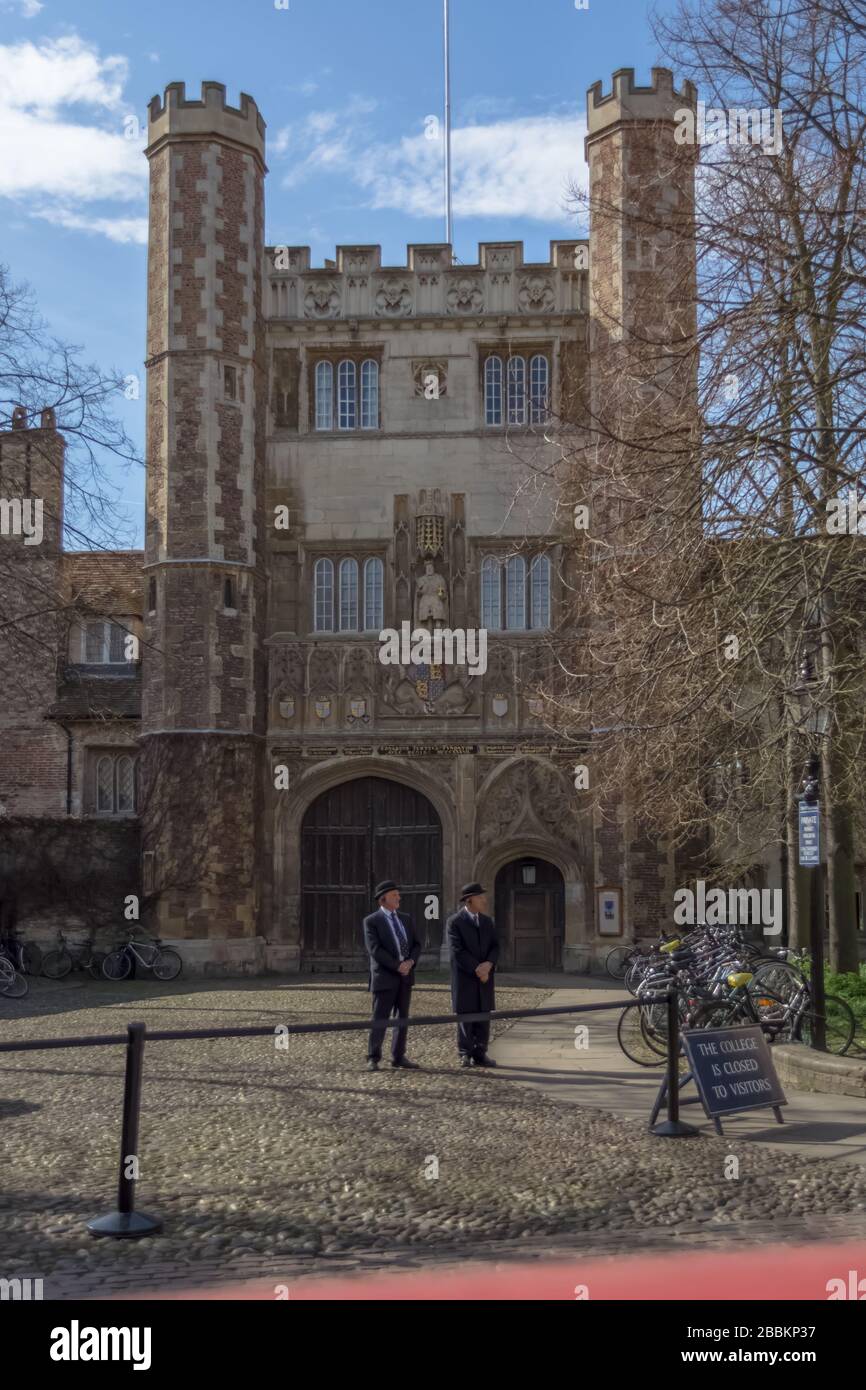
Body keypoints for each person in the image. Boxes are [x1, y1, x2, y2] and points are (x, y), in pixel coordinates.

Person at [362, 880, 422, 1072]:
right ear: (383, 899)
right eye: (395, 894)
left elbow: (416, 945)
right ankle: (373, 1056)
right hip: (385, 977)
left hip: (405, 976)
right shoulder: (371, 921)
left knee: (402, 1018)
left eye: (398, 894)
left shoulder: (406, 919)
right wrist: (398, 966)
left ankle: (398, 1056)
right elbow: (375, 950)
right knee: (380, 1017)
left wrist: (410, 963)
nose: (399, 897)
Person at [446, 883, 500, 1068]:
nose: (484, 900)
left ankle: (480, 1053)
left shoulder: (487, 921)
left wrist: (488, 965)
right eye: (480, 897)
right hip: (466, 977)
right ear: (469, 900)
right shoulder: (455, 922)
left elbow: (495, 946)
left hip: (485, 977)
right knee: (466, 1017)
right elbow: (457, 951)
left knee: (483, 1016)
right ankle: (465, 1053)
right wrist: (477, 969)